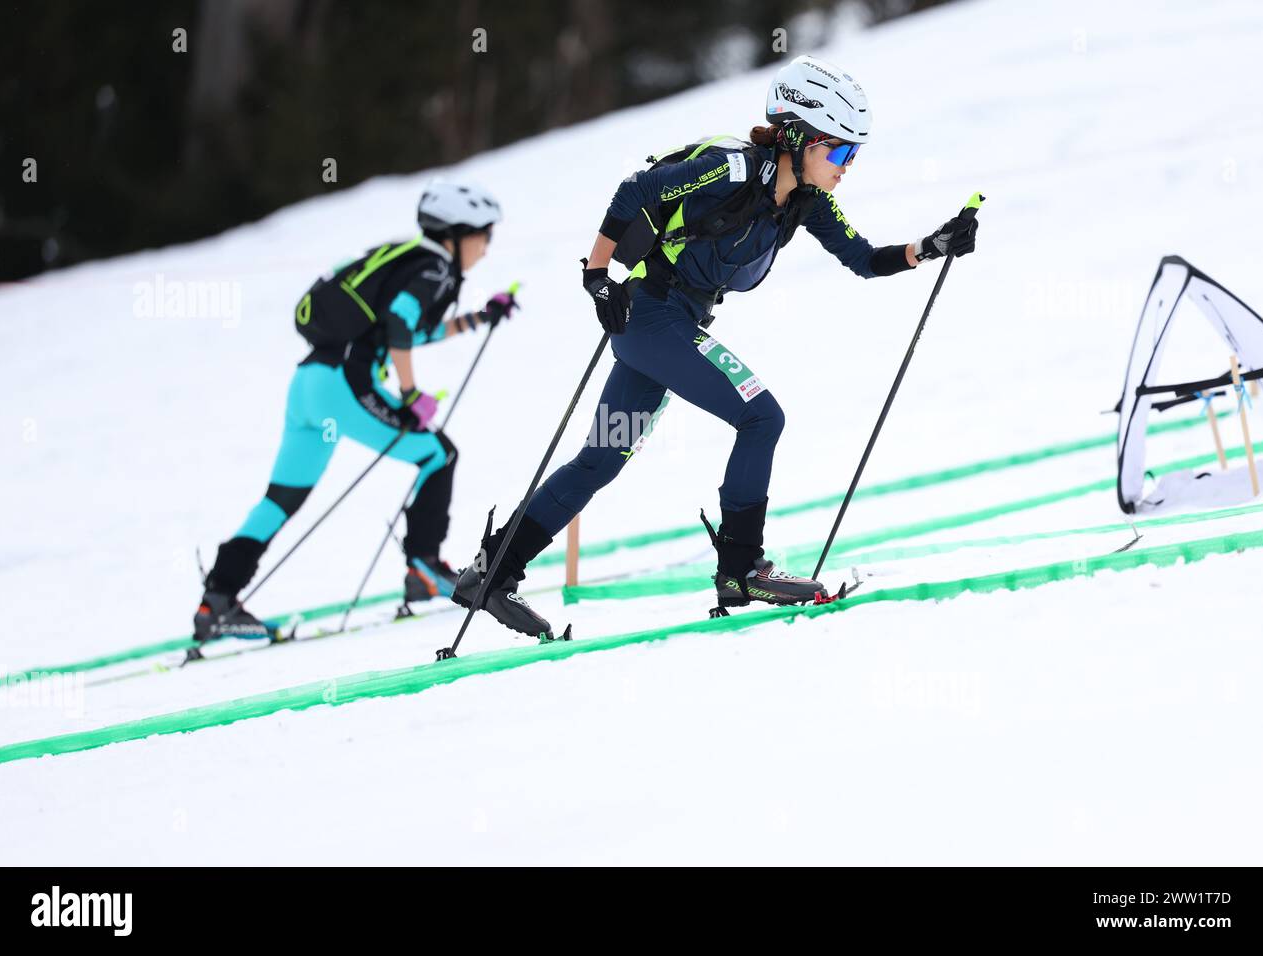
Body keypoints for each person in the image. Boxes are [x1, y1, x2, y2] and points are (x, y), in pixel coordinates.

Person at [454, 54, 979, 637]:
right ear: (799, 138)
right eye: (838, 151)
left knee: (599, 461)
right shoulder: (730, 168)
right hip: (649, 319)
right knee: (761, 417)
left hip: (666, 334)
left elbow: (863, 259)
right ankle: (743, 568)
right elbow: (637, 191)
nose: (846, 166)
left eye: (853, 154)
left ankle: (492, 572)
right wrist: (598, 276)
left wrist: (932, 246)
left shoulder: (806, 202)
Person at [194, 180, 520, 642]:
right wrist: (409, 395)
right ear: (456, 234)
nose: (486, 248)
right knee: (437, 455)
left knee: (280, 499)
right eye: (482, 236)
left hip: (310, 384)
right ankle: (425, 567)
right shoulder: (435, 267)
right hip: (343, 386)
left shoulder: (406, 258)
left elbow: (409, 332)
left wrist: (478, 318)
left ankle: (217, 602)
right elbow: (401, 325)